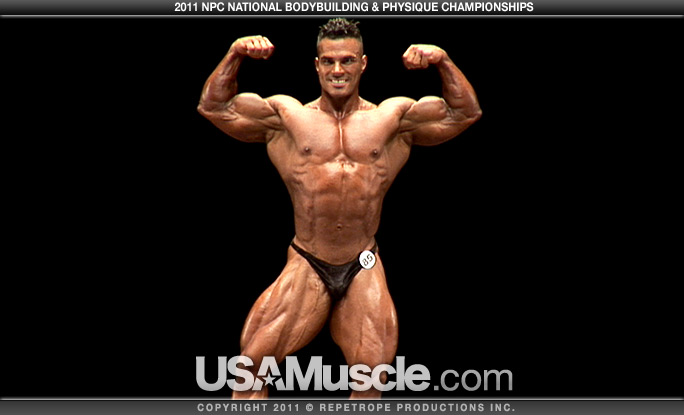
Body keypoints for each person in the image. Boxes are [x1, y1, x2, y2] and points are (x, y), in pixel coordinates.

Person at [197, 18, 481, 399]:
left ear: (363, 64)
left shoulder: (391, 119)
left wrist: (443, 60)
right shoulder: (288, 118)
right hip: (308, 259)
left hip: (362, 261)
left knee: (371, 377)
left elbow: (464, 113)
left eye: (347, 60)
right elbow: (215, 106)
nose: (337, 70)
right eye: (328, 61)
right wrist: (235, 53)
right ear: (316, 65)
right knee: (250, 370)